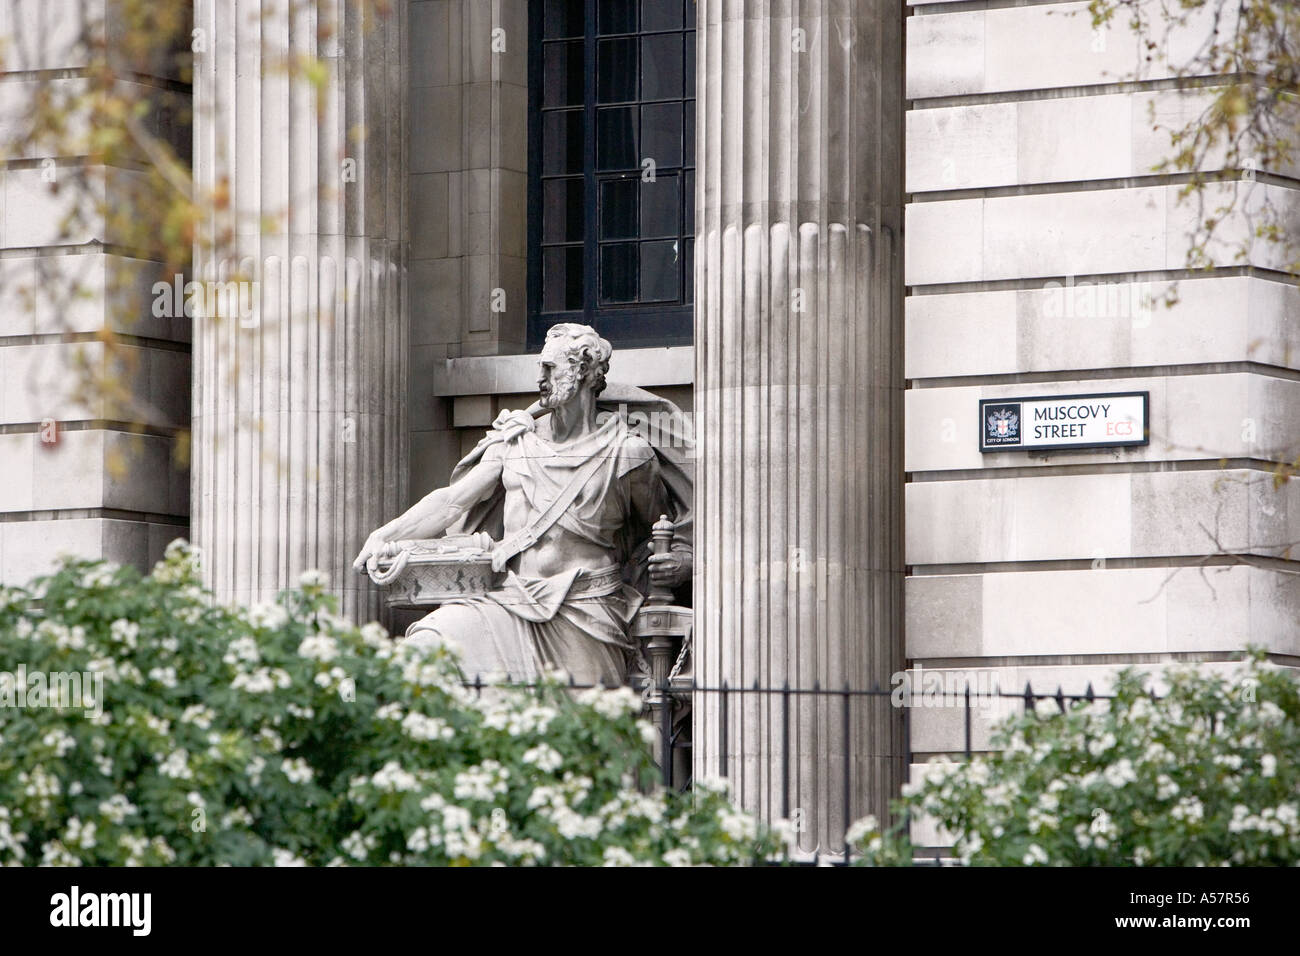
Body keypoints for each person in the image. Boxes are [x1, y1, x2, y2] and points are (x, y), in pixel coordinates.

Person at [353, 323, 691, 685]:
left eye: (551, 368)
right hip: (509, 601)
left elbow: (656, 534)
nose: (540, 379)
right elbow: (452, 502)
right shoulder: (515, 442)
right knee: (430, 642)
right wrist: (384, 535)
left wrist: (681, 562)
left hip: (584, 611)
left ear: (585, 372)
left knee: (586, 725)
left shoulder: (627, 453)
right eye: (539, 368)